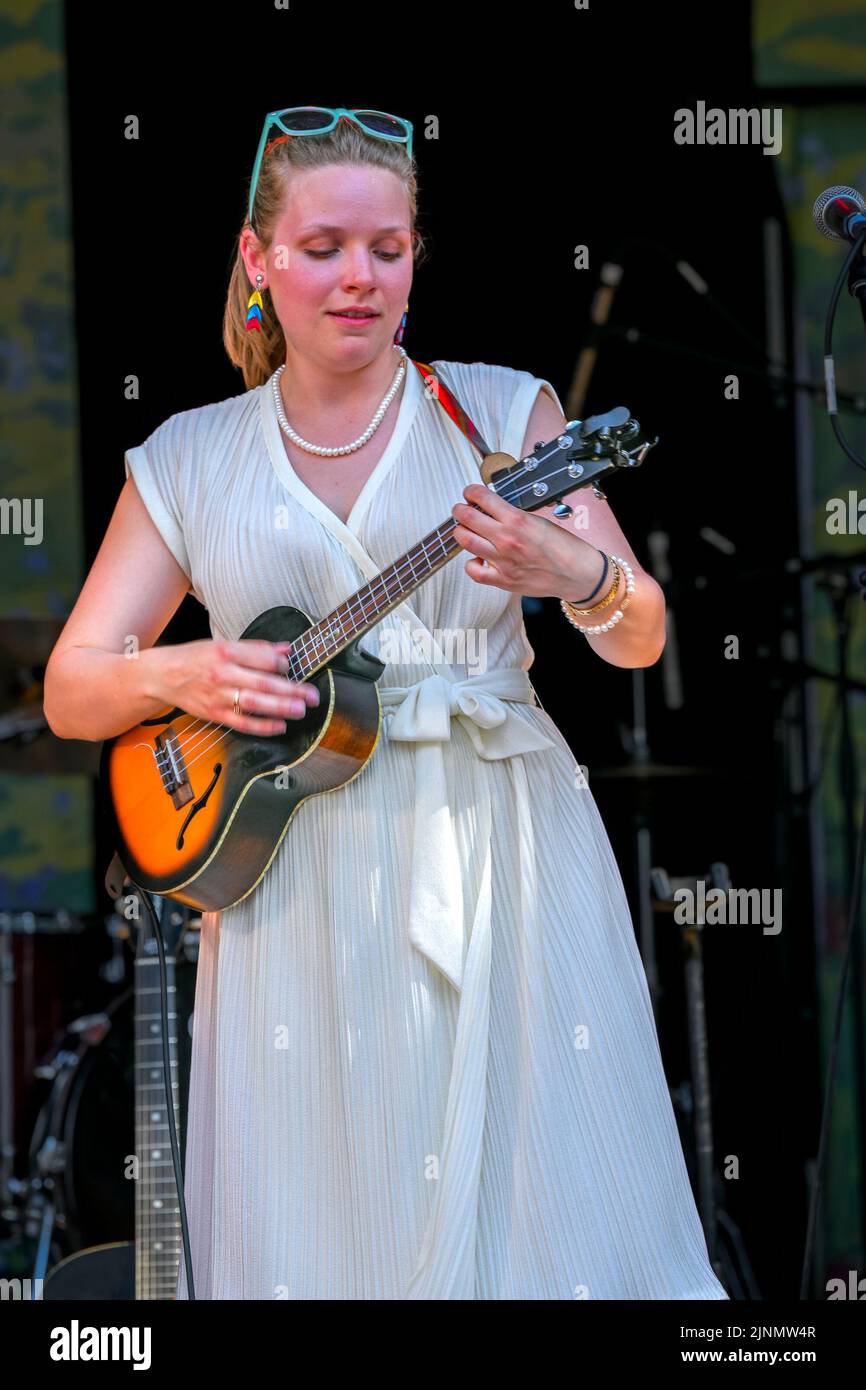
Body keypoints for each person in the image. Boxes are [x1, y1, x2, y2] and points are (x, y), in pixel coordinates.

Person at [44, 107, 729, 1300]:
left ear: (416, 252)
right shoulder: (190, 456)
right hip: (290, 876)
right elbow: (73, 689)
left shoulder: (503, 413)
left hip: (499, 842)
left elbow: (642, 634)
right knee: (326, 1216)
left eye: (388, 249)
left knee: (544, 1207)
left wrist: (578, 576)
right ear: (256, 258)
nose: (358, 278)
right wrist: (183, 672)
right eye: (321, 248)